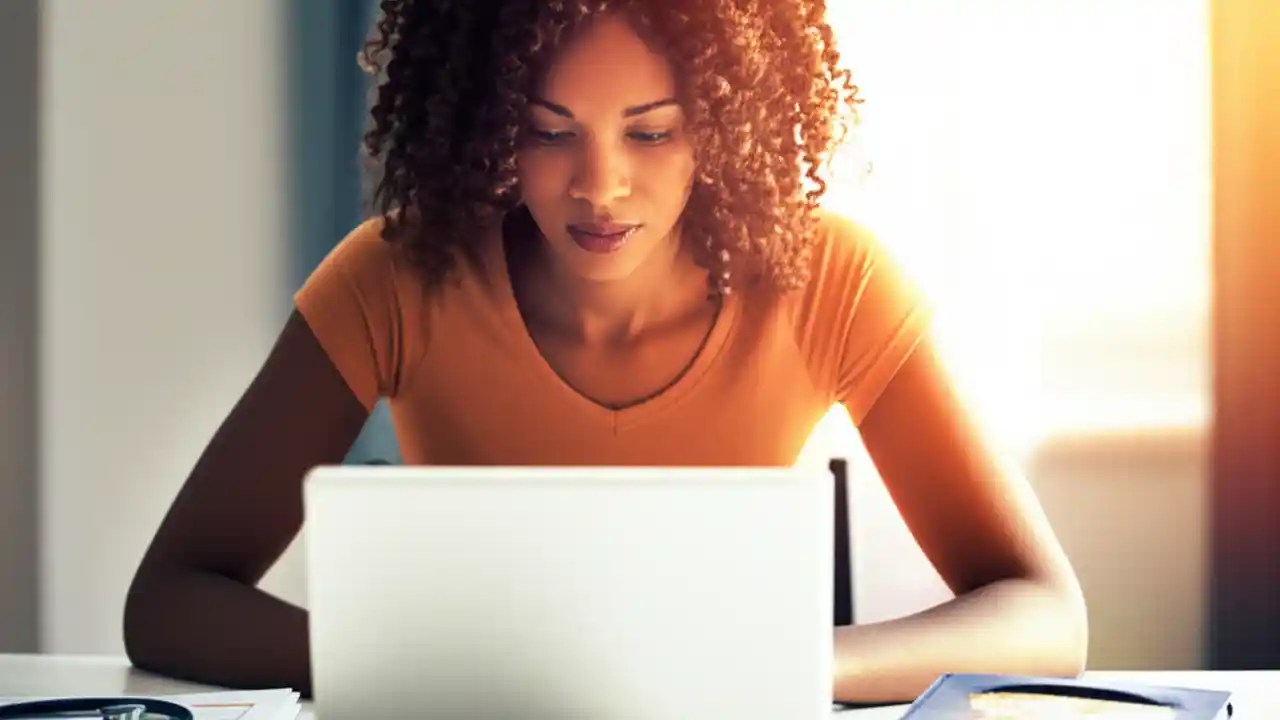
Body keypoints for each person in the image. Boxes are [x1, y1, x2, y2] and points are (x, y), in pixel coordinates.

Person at [123, 0, 1088, 704]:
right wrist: (399, 663)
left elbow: (1045, 614)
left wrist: (797, 665)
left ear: (721, 118)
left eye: (652, 132)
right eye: (551, 133)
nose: (601, 187)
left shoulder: (829, 277)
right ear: (496, 121)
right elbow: (169, 599)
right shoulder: (397, 276)